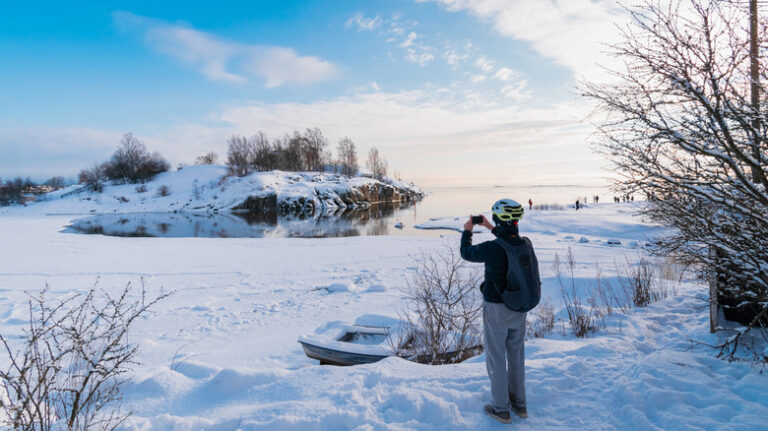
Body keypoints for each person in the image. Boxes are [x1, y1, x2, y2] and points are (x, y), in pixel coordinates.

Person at [460, 199, 535, 424]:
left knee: (496, 358)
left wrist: (467, 231)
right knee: (516, 356)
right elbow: (506, 241)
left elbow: (467, 253)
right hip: (518, 309)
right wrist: (491, 229)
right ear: (515, 220)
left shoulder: (492, 248)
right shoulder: (524, 243)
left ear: (498, 218)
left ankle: (501, 409)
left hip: (496, 309)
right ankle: (520, 405)